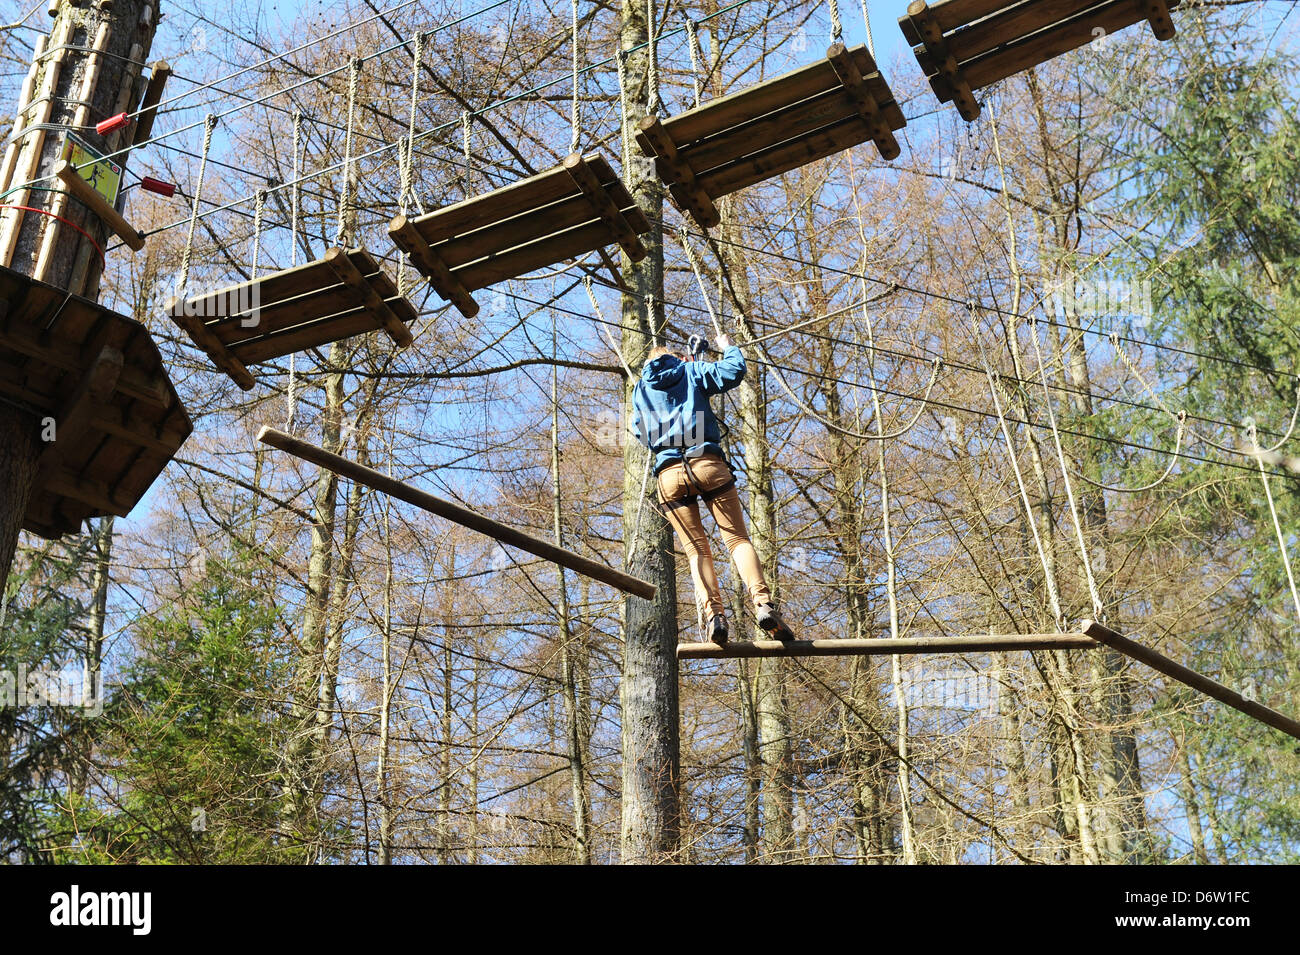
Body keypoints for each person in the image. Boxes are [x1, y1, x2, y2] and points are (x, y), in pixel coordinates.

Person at [631, 332, 794, 644]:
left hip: (669, 475)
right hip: (707, 463)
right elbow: (733, 372)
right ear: (676, 358)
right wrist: (727, 346)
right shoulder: (691, 370)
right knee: (736, 539)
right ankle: (763, 604)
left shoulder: (641, 388)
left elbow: (641, 432)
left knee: (697, 550)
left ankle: (715, 616)